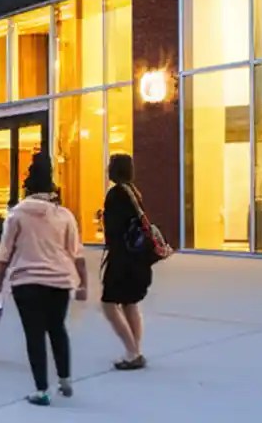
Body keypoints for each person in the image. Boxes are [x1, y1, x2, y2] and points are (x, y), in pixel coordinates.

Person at [0, 152, 87, 406]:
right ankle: (65, 379)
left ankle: (42, 390)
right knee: (57, 329)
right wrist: (83, 283)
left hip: (27, 283)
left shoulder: (16, 215)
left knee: (34, 335)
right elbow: (77, 253)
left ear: (28, 186)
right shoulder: (65, 215)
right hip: (59, 281)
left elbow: (4, 253)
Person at [101, 153, 153, 371]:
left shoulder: (115, 194)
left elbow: (114, 230)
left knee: (109, 304)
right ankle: (136, 350)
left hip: (122, 259)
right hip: (138, 259)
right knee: (130, 302)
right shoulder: (134, 192)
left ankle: (131, 350)